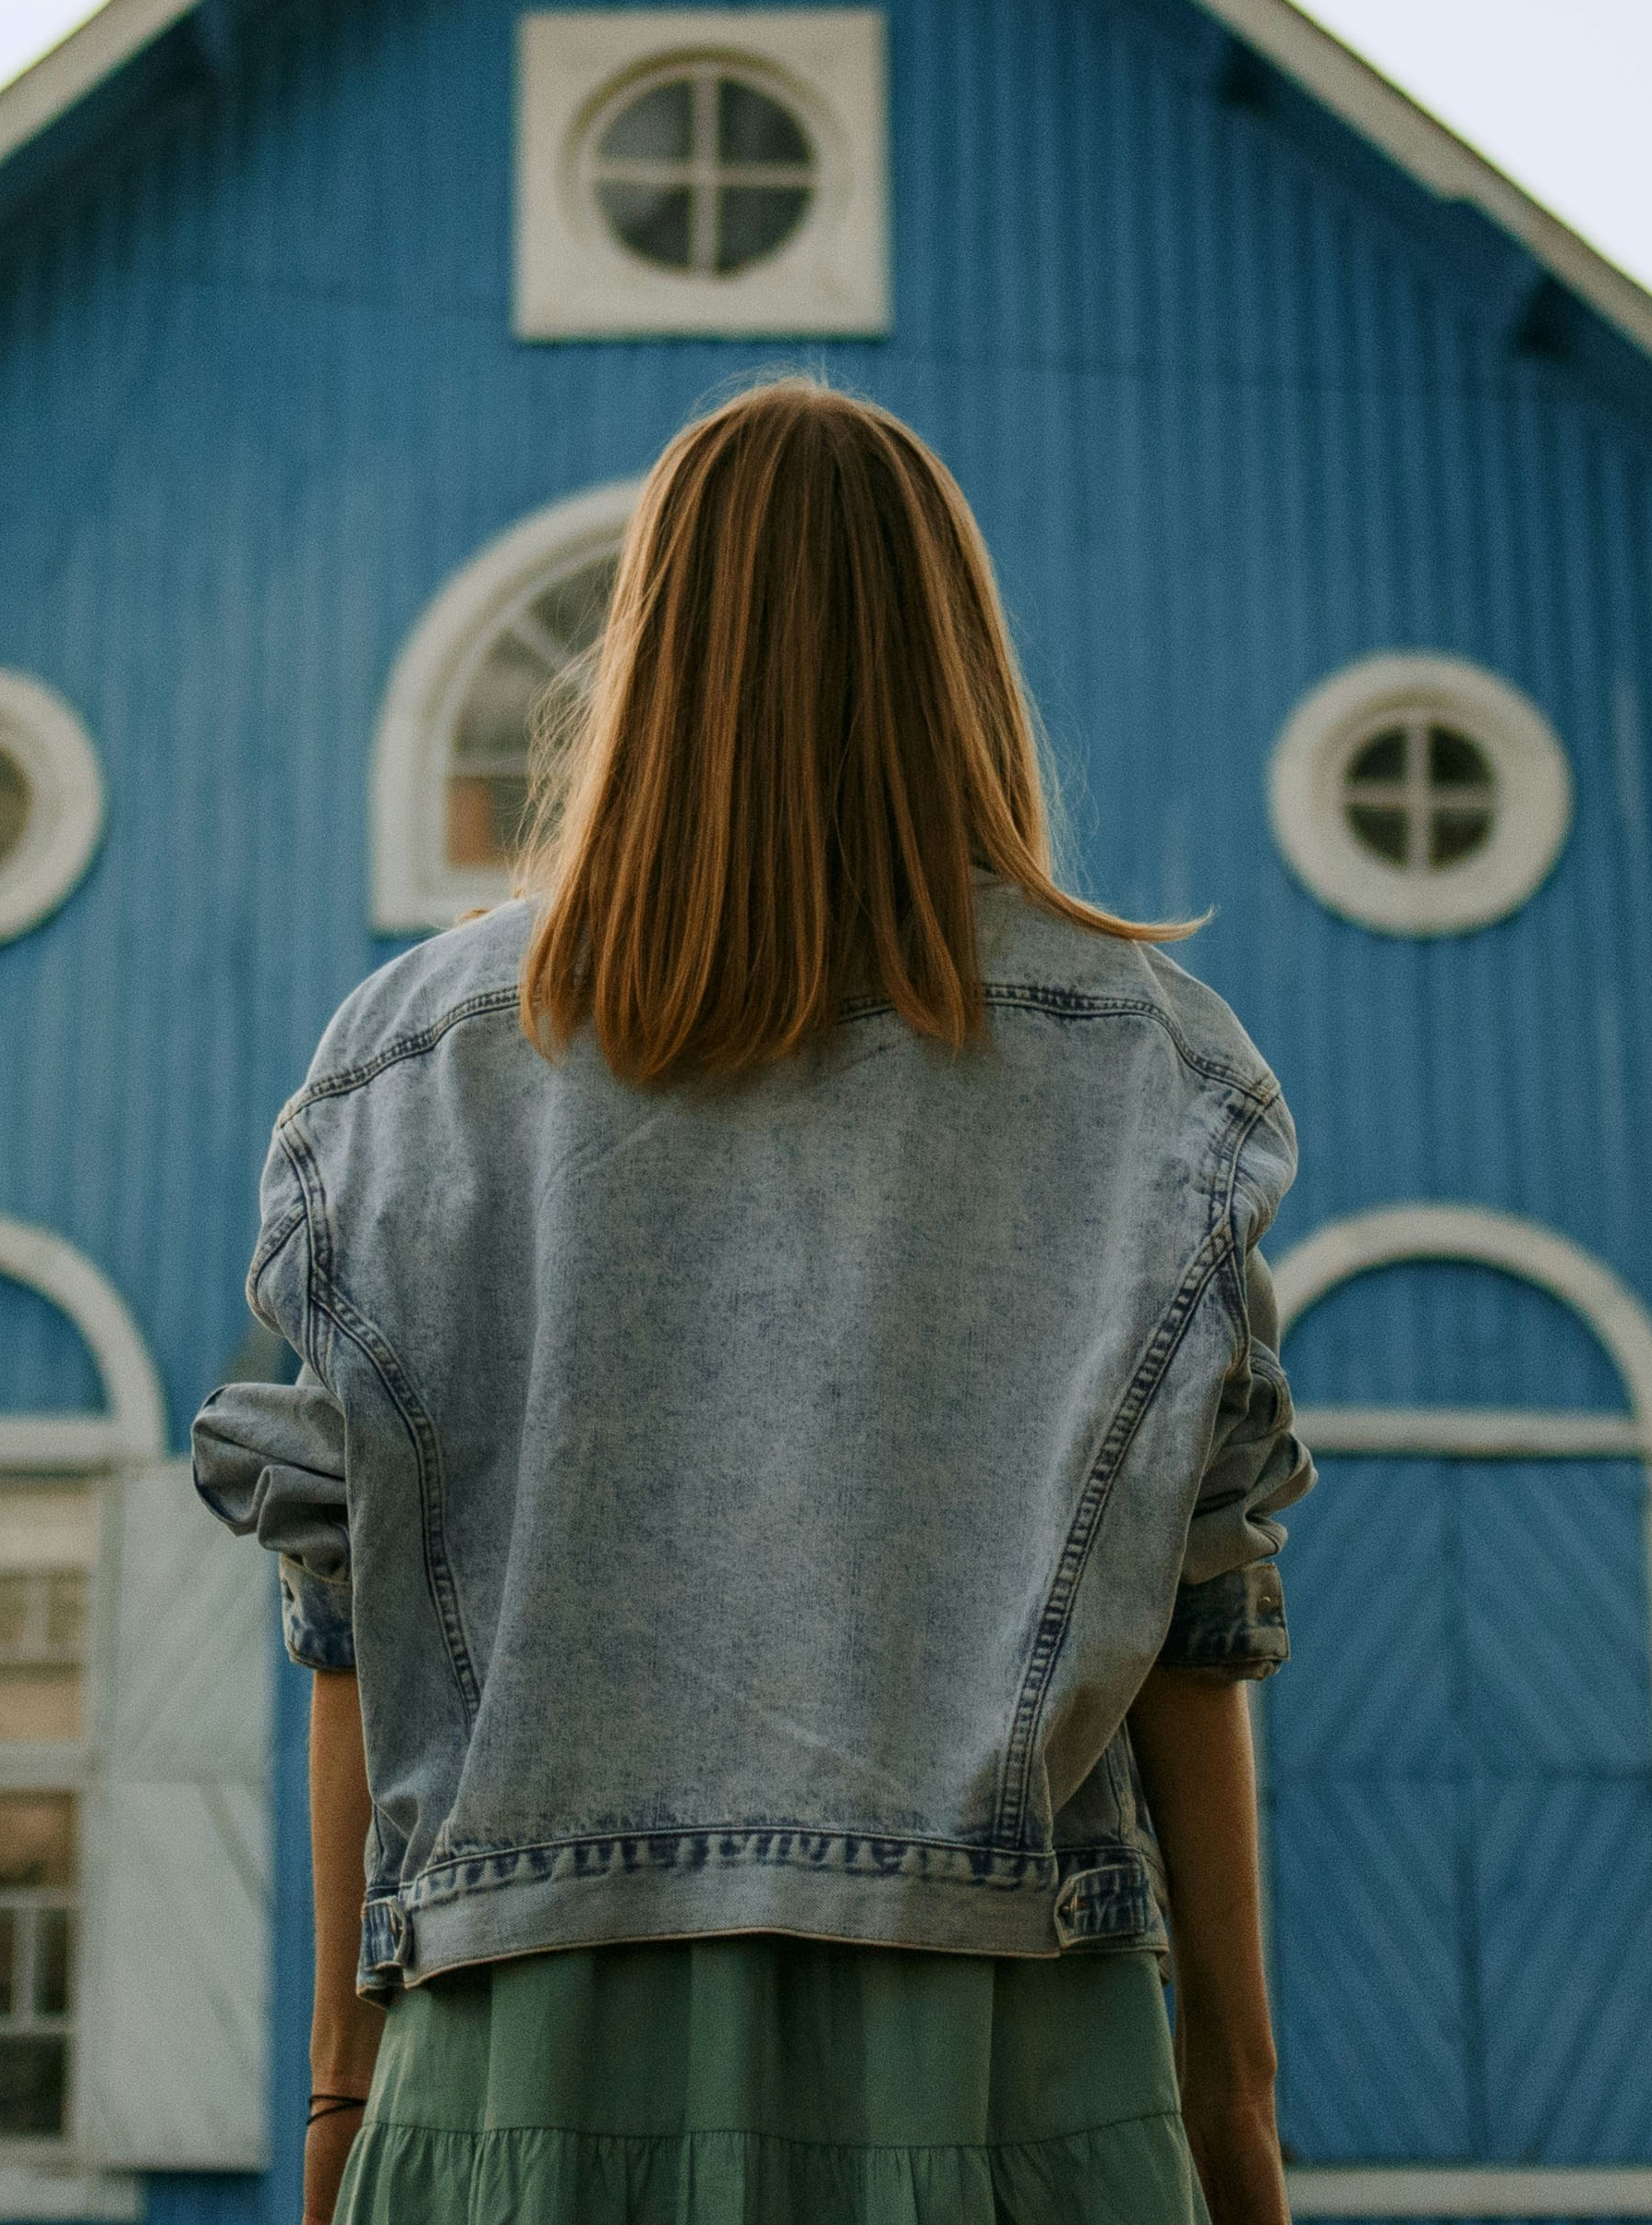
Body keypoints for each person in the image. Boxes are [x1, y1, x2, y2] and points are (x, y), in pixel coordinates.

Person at [195, 376, 1310, 2225]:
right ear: (953, 657)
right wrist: (1239, 2125)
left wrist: (339, 2100)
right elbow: (1199, 1643)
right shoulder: (1149, 1073)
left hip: (511, 2089)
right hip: (1011, 2084)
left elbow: (349, 1631)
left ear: (646, 648)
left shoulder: (403, 1071)